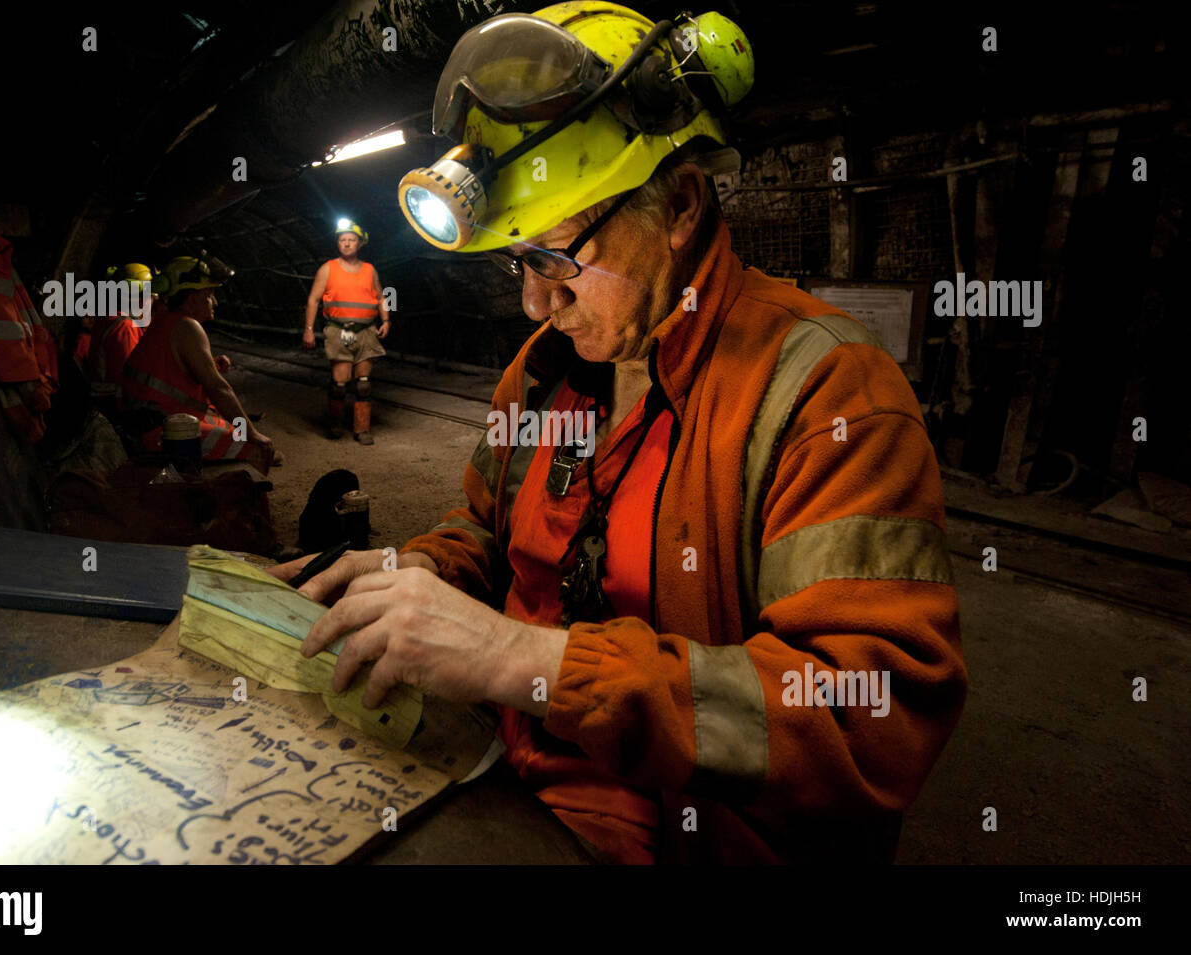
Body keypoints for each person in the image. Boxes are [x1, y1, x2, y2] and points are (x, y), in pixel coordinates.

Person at [272, 2, 965, 864]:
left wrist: (531, 662)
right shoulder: (542, 367)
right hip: (503, 781)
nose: (536, 301)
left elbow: (871, 717)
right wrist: (412, 573)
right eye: (519, 260)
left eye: (559, 256)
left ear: (678, 204)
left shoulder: (829, 390)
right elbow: (487, 538)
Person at [121, 254, 279, 472]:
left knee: (231, 425)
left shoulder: (164, 320)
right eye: (209, 293)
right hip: (163, 429)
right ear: (193, 297)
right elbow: (218, 388)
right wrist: (252, 433)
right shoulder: (188, 327)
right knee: (255, 445)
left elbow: (169, 369)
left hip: (143, 419)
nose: (214, 301)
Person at [302, 219, 390, 444]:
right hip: (338, 330)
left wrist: (386, 320)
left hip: (366, 331)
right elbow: (313, 300)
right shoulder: (328, 268)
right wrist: (309, 330)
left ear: (360, 244)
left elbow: (381, 297)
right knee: (340, 384)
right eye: (342, 240)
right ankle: (335, 424)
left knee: (363, 383)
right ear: (337, 243)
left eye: (351, 240)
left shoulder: (370, 270)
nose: (347, 244)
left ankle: (361, 430)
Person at [85, 262, 152, 417]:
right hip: (115, 405)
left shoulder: (109, 317)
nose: (152, 302)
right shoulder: (125, 327)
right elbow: (132, 377)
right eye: (150, 296)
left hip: (103, 402)